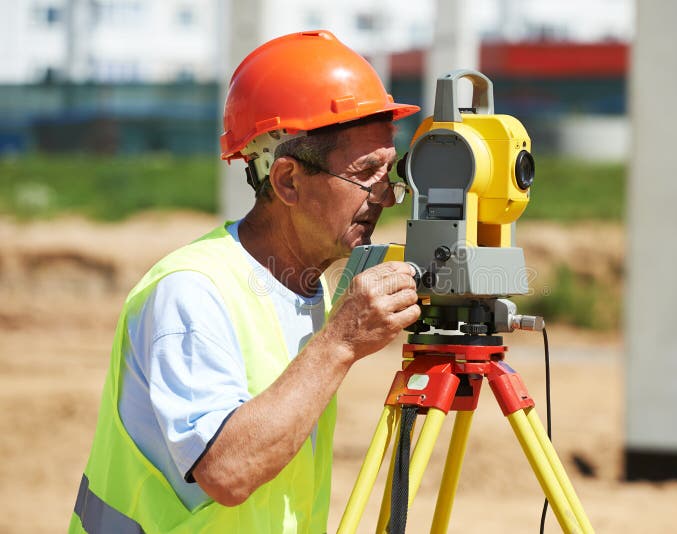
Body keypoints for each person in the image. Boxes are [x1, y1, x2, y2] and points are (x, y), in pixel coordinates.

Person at [70, 30, 421, 533]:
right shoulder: (191, 291)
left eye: (391, 172)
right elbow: (227, 473)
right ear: (287, 181)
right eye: (366, 173)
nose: (386, 198)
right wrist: (341, 342)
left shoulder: (308, 287)